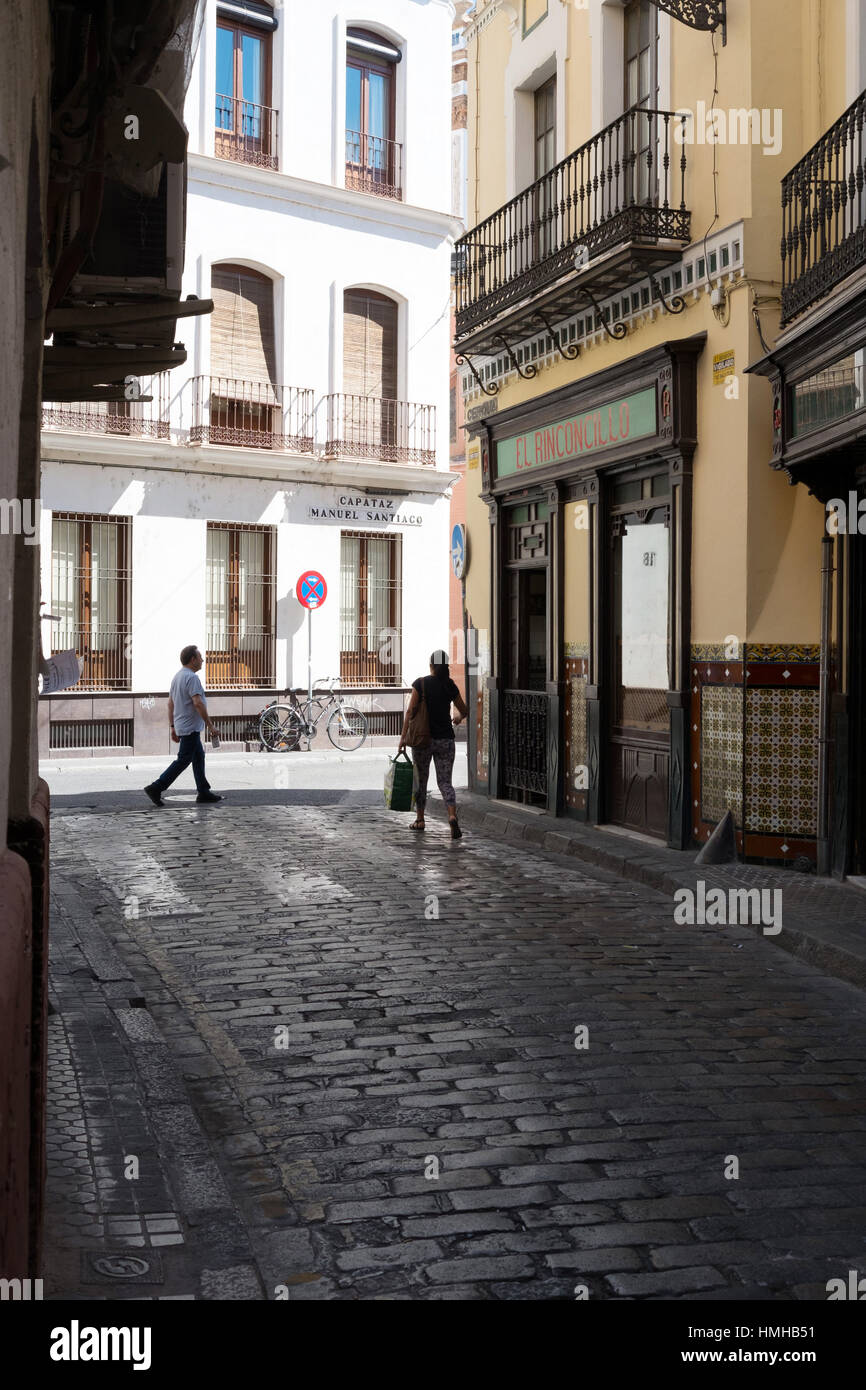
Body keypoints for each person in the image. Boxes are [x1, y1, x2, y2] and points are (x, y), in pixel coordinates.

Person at [398, 649, 468, 839]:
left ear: (431, 665)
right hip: (445, 740)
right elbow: (464, 710)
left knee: (421, 781)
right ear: (446, 665)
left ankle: (420, 820)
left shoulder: (421, 683)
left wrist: (403, 738)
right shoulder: (449, 684)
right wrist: (458, 718)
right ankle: (452, 816)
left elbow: (411, 712)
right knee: (445, 782)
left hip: (422, 740)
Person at [144, 645, 223, 806]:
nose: (203, 660)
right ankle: (156, 787)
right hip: (190, 727)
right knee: (183, 760)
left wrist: (172, 727)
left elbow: (170, 704)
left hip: (182, 725)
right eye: (200, 657)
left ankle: (203, 791)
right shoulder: (192, 678)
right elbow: (198, 703)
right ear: (192, 659)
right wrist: (210, 726)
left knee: (198, 756)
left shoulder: (177, 677)